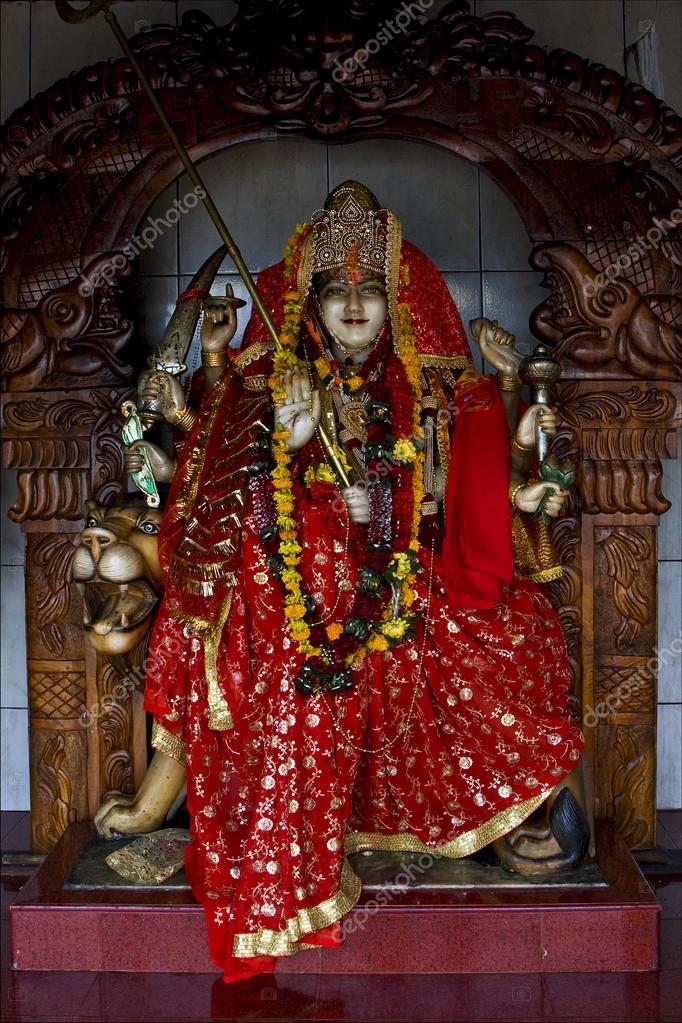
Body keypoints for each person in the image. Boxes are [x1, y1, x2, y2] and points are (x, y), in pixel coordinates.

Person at [95, 181, 586, 982]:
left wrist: (401, 499)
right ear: (310, 302)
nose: (354, 307)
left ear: (395, 301)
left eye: (368, 290)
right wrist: (292, 448)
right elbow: (222, 491)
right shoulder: (270, 379)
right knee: (236, 622)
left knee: (510, 624)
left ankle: (509, 807)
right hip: (297, 591)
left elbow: (454, 496)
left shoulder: (428, 386)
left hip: (403, 578)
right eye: (337, 291)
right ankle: (191, 810)